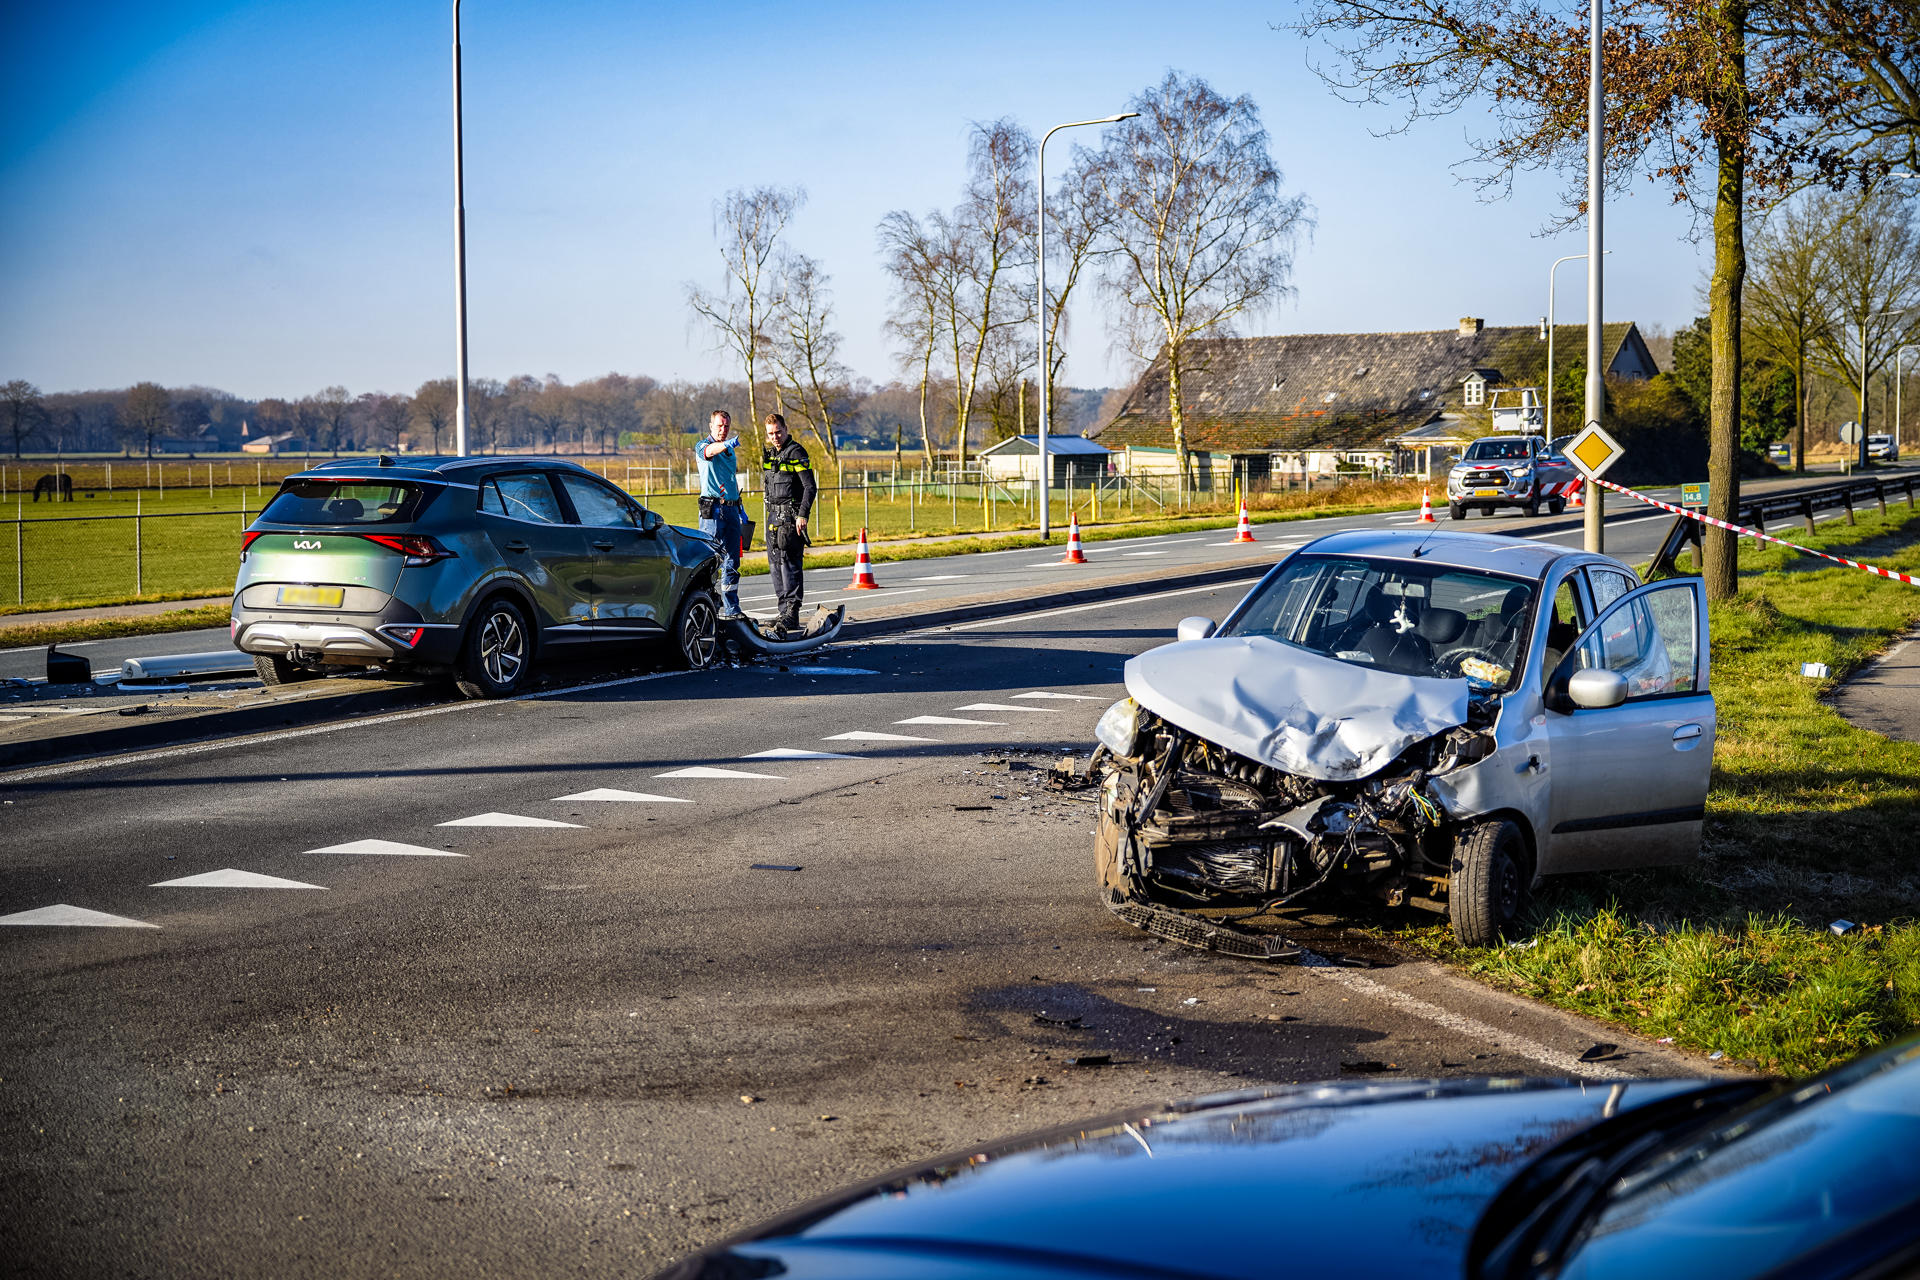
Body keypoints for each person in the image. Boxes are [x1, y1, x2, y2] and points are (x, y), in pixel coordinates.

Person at [760, 413, 817, 633]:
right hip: (773, 517)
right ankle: (783, 611)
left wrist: (803, 515)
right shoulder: (771, 455)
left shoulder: (796, 452)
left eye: (778, 432)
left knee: (790, 564)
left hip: (790, 518)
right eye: (771, 434)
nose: (775, 437)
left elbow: (810, 487)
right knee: (775, 566)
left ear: (786, 429)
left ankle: (792, 614)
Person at [695, 409, 746, 619]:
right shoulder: (703, 446)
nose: (723, 430)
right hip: (713, 510)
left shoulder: (729, 451)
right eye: (719, 425)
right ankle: (708, 607)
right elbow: (709, 452)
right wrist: (726, 444)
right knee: (710, 560)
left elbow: (730, 479)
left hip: (731, 508)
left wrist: (739, 507)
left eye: (726, 426)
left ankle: (732, 608)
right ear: (711, 426)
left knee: (733, 561)